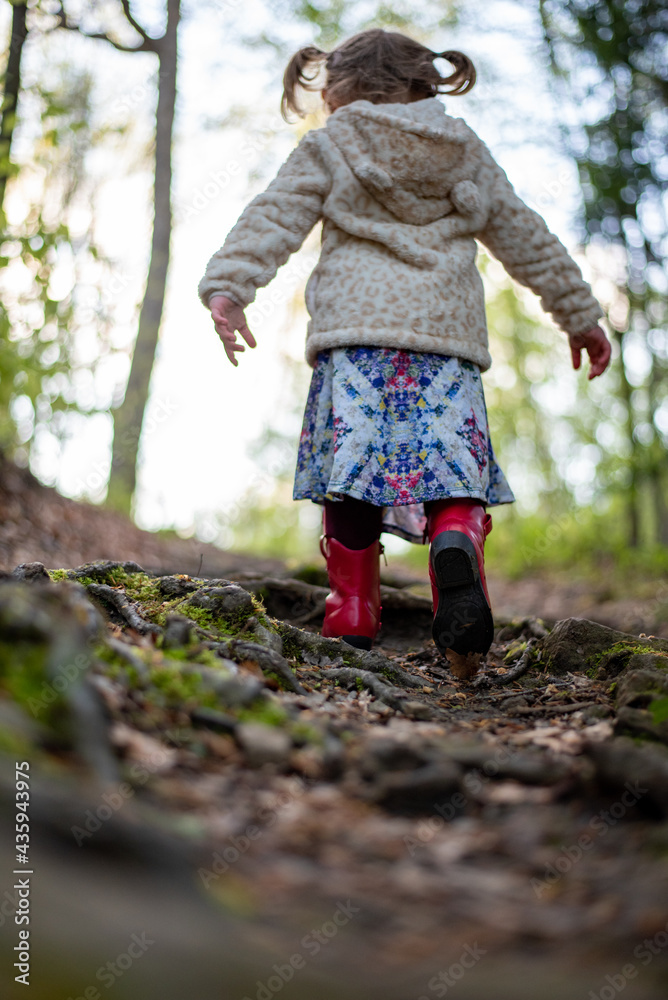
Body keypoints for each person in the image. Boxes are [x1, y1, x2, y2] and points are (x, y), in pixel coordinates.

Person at [198, 28, 611, 659]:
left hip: (356, 342)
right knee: (451, 470)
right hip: (446, 344)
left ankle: (353, 610)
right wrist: (579, 315)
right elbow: (526, 234)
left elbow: (273, 215)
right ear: (426, 84)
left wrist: (230, 286)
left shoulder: (331, 143)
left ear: (336, 89)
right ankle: (457, 544)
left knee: (353, 479)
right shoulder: (464, 148)